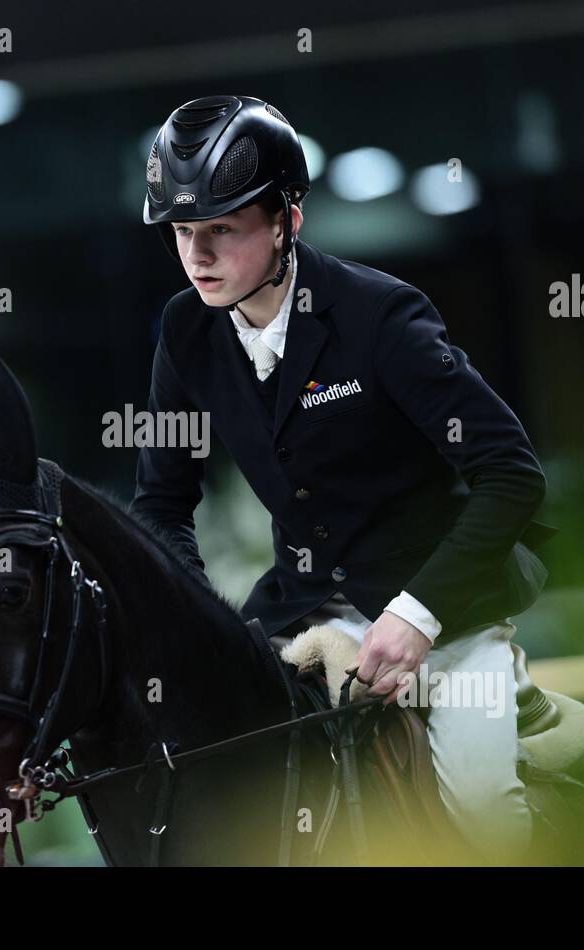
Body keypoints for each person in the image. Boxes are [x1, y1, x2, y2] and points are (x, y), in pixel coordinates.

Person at [130, 94, 558, 864]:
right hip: (298, 616)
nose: (197, 255)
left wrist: (418, 615)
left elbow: (512, 476)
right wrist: (201, 628)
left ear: (287, 221)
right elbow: (161, 505)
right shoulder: (185, 333)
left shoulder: (380, 317)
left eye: (223, 229)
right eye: (183, 232)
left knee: (483, 807)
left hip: (445, 620)